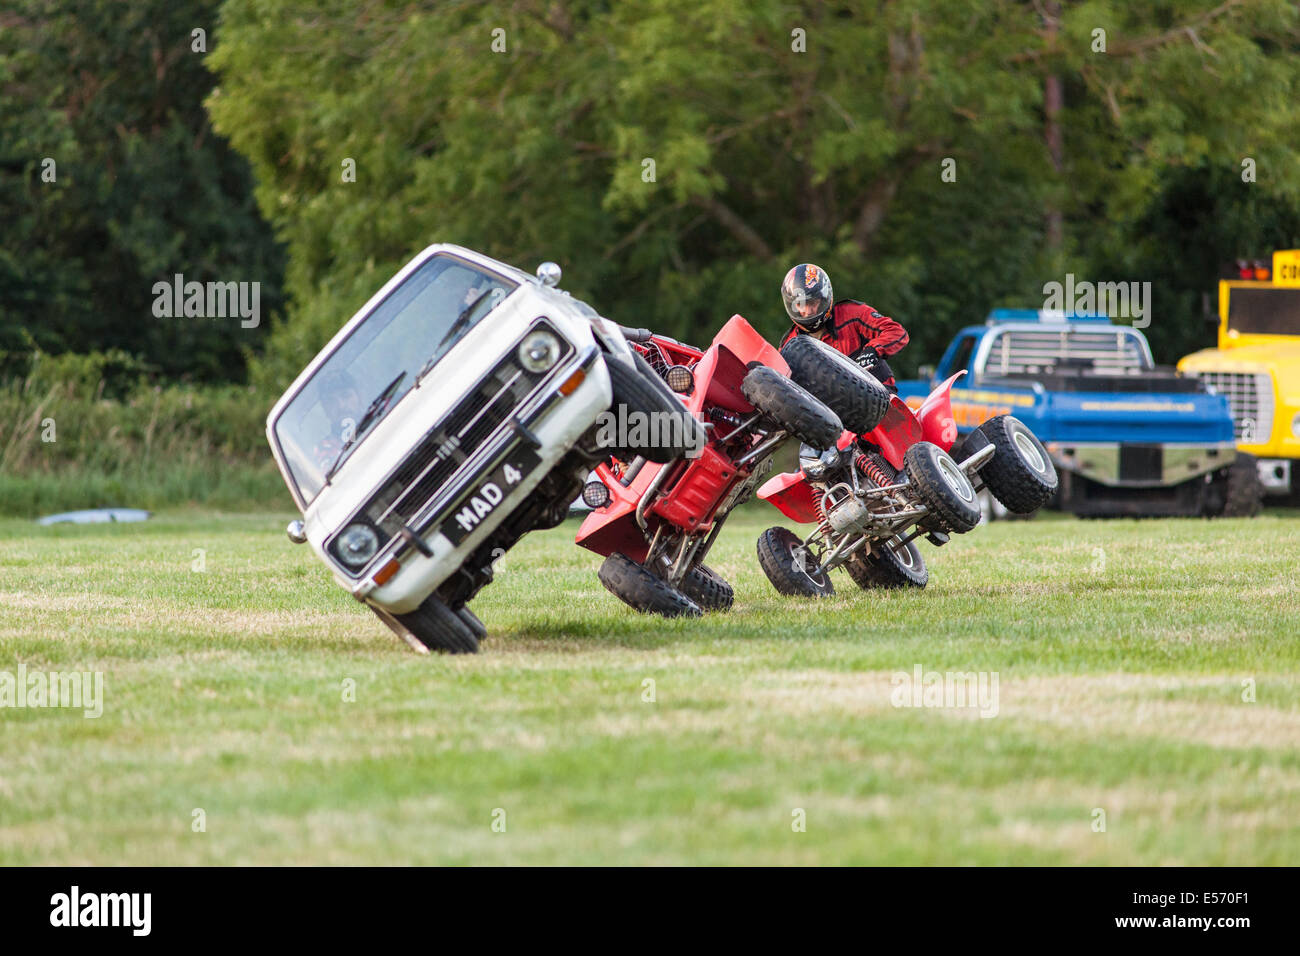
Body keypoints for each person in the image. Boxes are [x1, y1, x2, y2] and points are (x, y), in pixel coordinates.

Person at [778, 262, 909, 393]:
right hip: (828, 407)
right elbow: (779, 381)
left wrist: (873, 350)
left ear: (823, 297)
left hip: (879, 394)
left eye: (812, 302)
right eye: (800, 305)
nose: (808, 311)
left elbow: (897, 331)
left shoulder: (852, 312)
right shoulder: (790, 343)